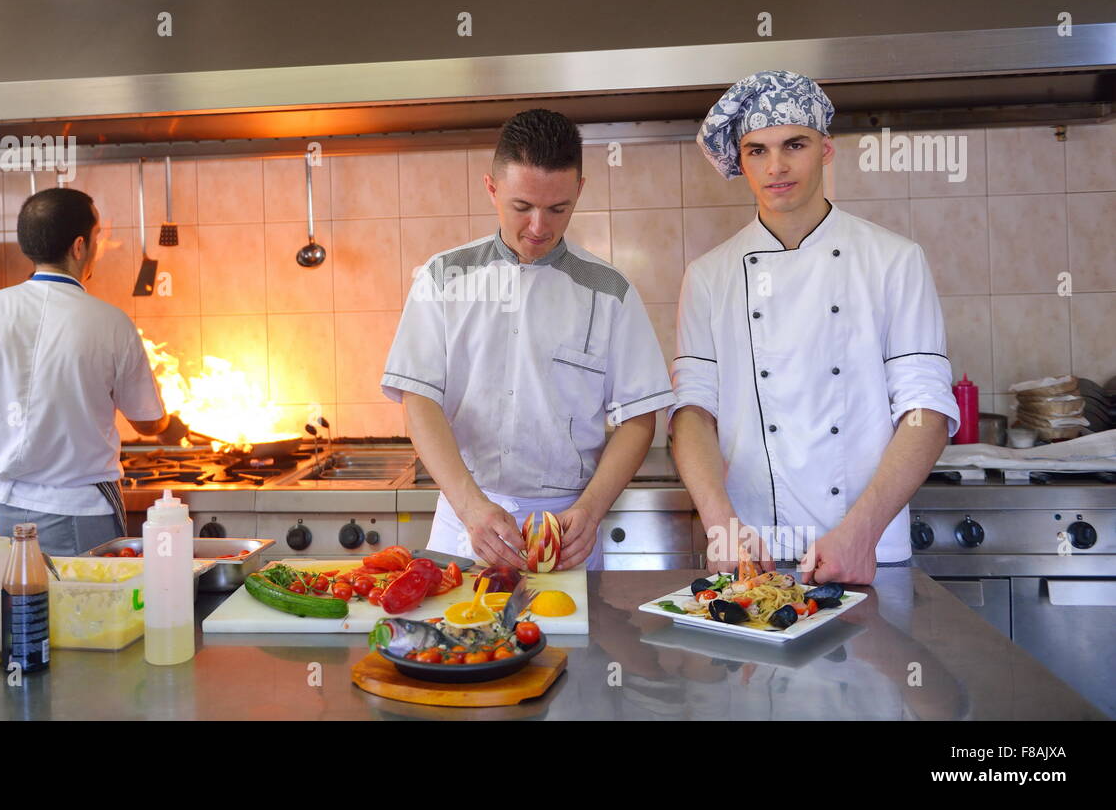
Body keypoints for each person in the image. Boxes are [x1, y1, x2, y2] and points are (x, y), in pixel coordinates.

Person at [670, 70, 959, 585]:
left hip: (864, 547)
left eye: (794, 145)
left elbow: (926, 410)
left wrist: (862, 531)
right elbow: (693, 412)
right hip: (751, 550)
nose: (776, 167)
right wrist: (720, 523)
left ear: (825, 149)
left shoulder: (894, 261)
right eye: (757, 150)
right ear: (740, 159)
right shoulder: (709, 275)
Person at [382, 109, 675, 570]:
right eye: (523, 207)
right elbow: (418, 399)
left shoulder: (610, 291)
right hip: (467, 521)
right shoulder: (444, 276)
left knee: (573, 642)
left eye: (558, 208)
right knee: (460, 641)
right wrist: (471, 507)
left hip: (568, 526)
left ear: (579, 190)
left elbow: (640, 416)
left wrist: (591, 509)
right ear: (492, 188)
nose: (539, 227)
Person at [0, 187, 187, 555]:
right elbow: (147, 422)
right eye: (98, 237)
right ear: (79, 247)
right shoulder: (111, 323)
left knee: (11, 611)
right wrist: (167, 424)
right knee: (88, 611)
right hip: (82, 516)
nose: (99, 248)